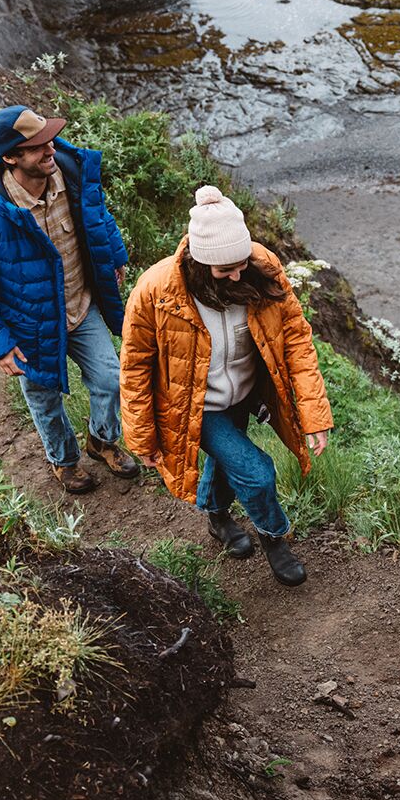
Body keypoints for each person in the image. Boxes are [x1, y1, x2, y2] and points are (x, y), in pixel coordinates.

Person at [119, 185, 333, 586]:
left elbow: (296, 341)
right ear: (201, 265)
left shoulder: (261, 266)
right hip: (197, 405)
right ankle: (274, 538)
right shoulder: (155, 290)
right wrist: (142, 437)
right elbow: (134, 367)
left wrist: (314, 414)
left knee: (226, 461)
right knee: (256, 472)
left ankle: (217, 517)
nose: (237, 274)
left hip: (247, 394)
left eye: (241, 264)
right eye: (224, 271)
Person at [0, 105, 140, 494]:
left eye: (48, 139)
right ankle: (64, 461)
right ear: (10, 157)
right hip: (27, 324)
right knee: (44, 400)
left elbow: (98, 215)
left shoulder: (73, 171)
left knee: (110, 379)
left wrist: (114, 255)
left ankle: (101, 441)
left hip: (81, 306)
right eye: (36, 147)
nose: (50, 150)